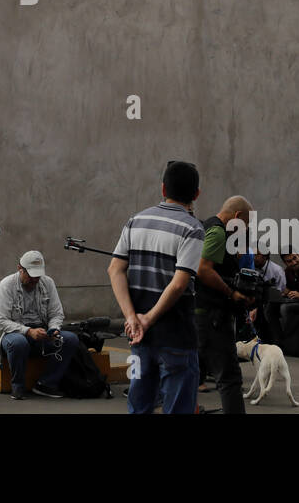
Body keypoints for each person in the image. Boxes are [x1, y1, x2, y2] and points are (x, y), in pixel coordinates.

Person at [108, 160, 206, 415]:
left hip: (139, 336)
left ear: (163, 189)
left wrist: (132, 318)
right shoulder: (193, 228)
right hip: (176, 336)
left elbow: (115, 269)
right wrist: (149, 319)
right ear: (196, 194)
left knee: (139, 405)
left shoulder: (136, 221)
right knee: (178, 407)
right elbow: (179, 283)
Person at [193, 195, 254, 414]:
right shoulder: (218, 232)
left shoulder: (206, 226)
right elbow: (203, 269)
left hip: (201, 312)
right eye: (245, 224)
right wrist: (232, 292)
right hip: (213, 315)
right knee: (229, 378)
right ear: (237, 216)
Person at [0, 250, 81, 400]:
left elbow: (56, 313)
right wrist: (28, 331)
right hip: (14, 334)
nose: (35, 279)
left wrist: (53, 329)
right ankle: (18, 387)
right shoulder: (6, 285)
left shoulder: (48, 283)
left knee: (70, 339)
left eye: (38, 275)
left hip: (41, 333)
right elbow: (1, 321)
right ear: (20, 269)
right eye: (31, 275)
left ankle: (46, 384)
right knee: (18, 343)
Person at [263, 251, 299, 345]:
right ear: (285, 263)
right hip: (296, 301)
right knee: (270, 308)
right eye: (289, 261)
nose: (294, 262)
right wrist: (282, 291)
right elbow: (289, 288)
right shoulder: (288, 271)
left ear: (298, 255)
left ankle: (288, 340)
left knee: (285, 308)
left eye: (295, 258)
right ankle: (278, 341)